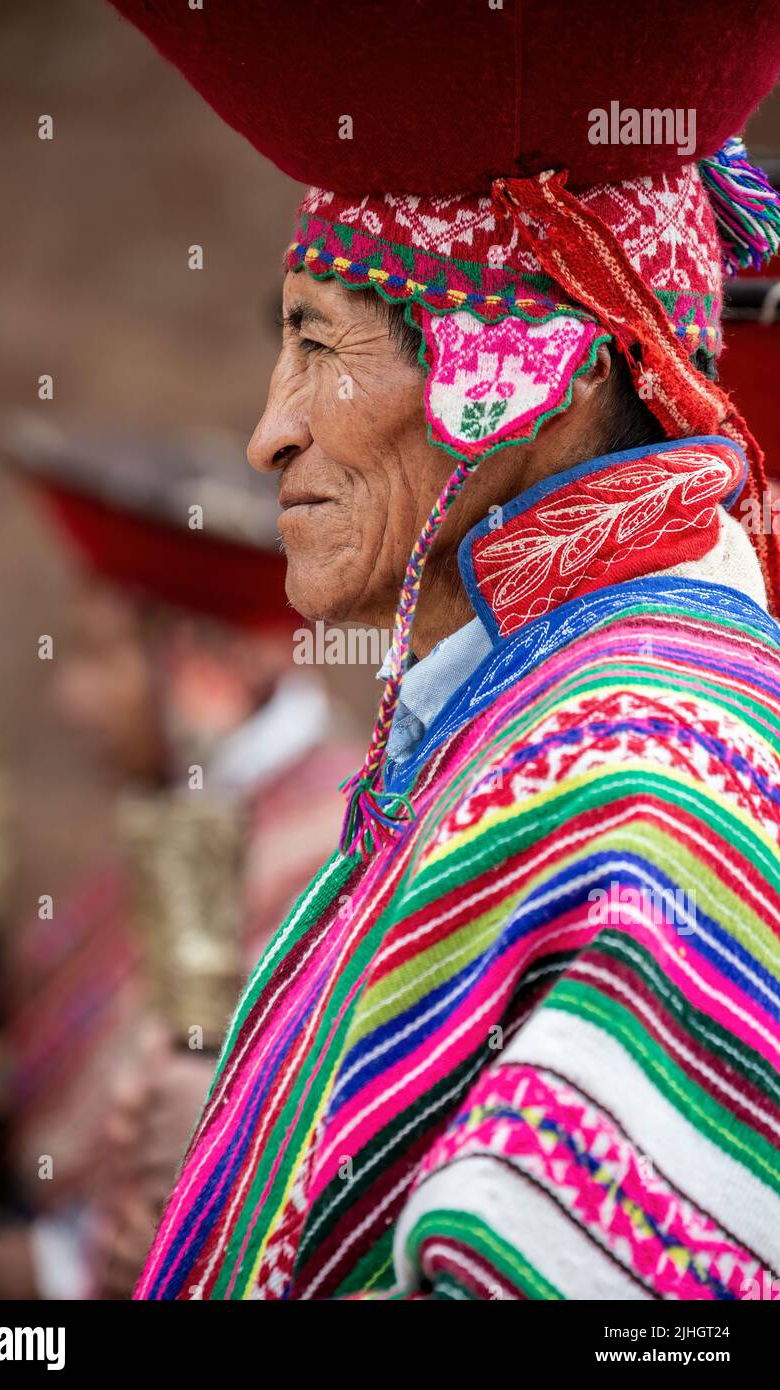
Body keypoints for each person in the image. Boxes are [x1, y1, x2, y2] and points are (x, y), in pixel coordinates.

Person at [112, 1, 780, 1301]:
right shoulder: (523, 729)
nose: (269, 436)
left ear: (530, 374)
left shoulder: (653, 782)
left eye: (317, 347)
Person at [0, 421, 359, 1298]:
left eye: (98, 655)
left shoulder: (327, 854)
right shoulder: (186, 817)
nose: (70, 700)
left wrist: (5, 1271)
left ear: (196, 661)